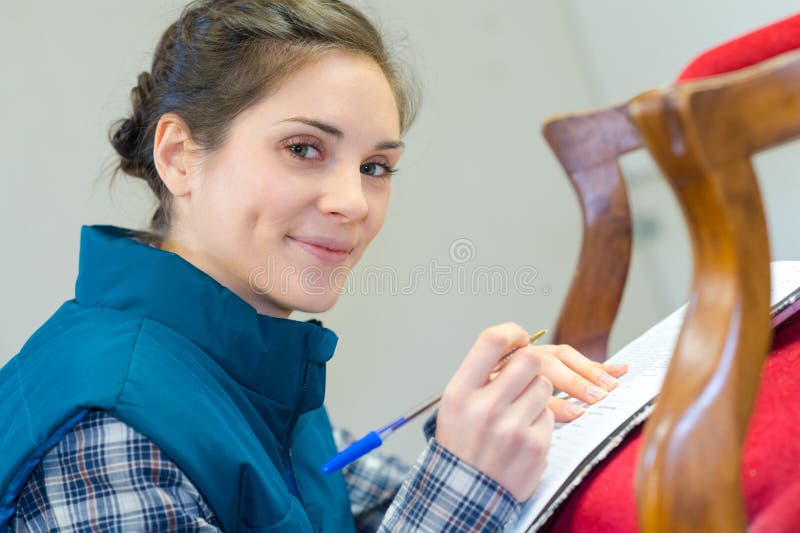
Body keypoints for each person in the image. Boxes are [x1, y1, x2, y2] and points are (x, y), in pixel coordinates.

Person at [0, 1, 627, 531]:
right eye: (303, 149)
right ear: (179, 157)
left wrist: (485, 430)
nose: (353, 203)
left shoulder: (257, 369)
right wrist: (467, 482)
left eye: (375, 168)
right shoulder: (110, 430)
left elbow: (375, 506)